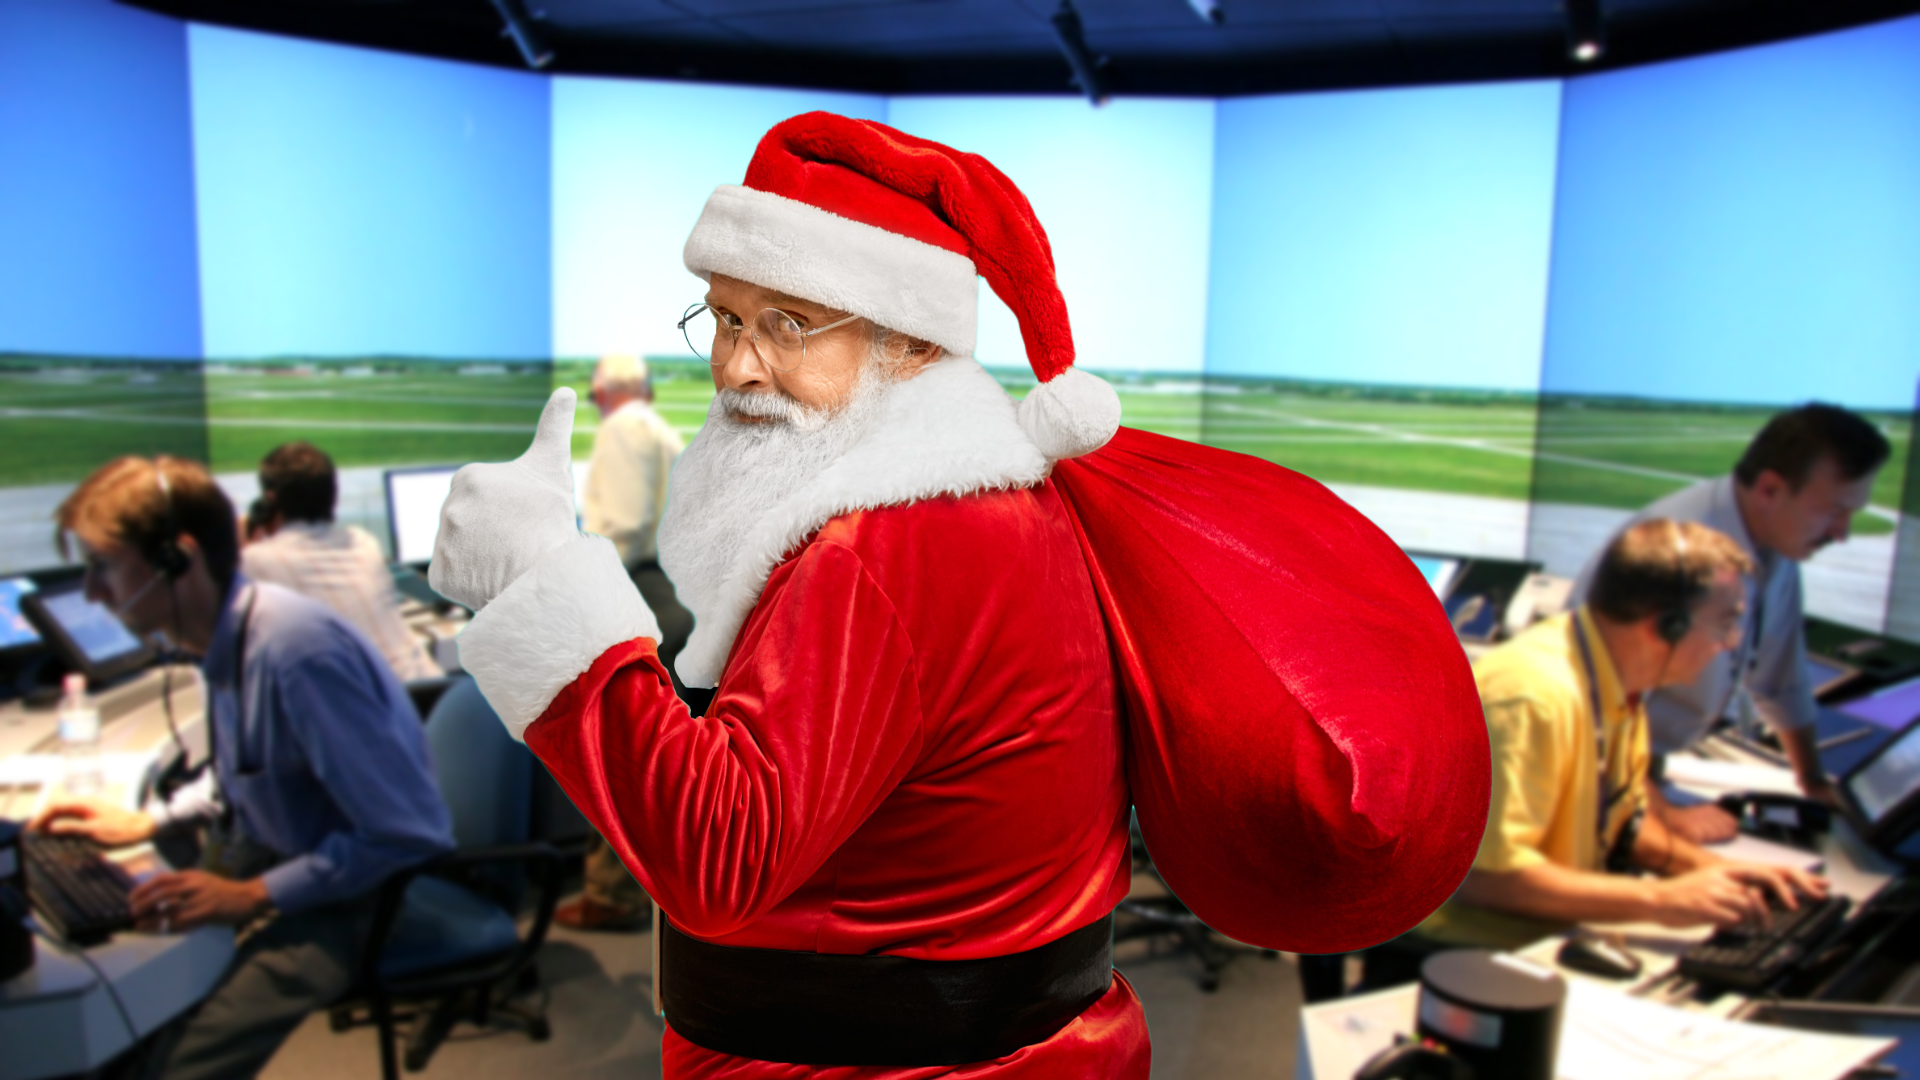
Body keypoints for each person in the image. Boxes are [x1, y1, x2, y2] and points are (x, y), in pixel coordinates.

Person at [428, 113, 1489, 1078]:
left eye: (791, 324)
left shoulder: (879, 550)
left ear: (915, 341)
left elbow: (723, 854)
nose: (742, 367)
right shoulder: (996, 507)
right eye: (725, 319)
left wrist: (538, 580)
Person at [32, 455, 453, 1080]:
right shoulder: (229, 638)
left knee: (172, 1063)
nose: (92, 592)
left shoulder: (293, 650)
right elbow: (248, 772)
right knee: (133, 1013)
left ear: (177, 559)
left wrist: (250, 894)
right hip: (293, 868)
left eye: (103, 566)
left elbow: (409, 833)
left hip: (360, 898)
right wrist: (148, 820)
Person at [1421, 519, 1828, 950]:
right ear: (1664, 627)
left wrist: (1713, 871)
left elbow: (1622, 821)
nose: (1729, 643)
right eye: (1724, 623)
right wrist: (1659, 899)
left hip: (1545, 933)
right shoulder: (1531, 699)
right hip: (1458, 953)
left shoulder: (1614, 678)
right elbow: (1486, 879)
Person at [1571, 403, 1891, 842]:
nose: (1843, 533)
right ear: (1770, 489)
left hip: (1641, 768)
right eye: (1833, 511)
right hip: (1597, 773)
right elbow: (1590, 716)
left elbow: (1780, 678)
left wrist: (1813, 783)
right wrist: (1664, 818)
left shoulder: (1776, 548)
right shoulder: (1677, 555)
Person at [563, 355, 690, 931]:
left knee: (618, 751)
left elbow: (617, 532)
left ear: (603, 393)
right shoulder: (663, 432)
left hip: (635, 597)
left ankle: (612, 894)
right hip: (677, 600)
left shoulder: (619, 431)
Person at [241, 441, 442, 682]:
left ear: (269, 502)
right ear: (333, 495)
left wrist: (248, 539)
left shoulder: (254, 561)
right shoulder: (364, 543)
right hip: (430, 693)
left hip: (372, 710)